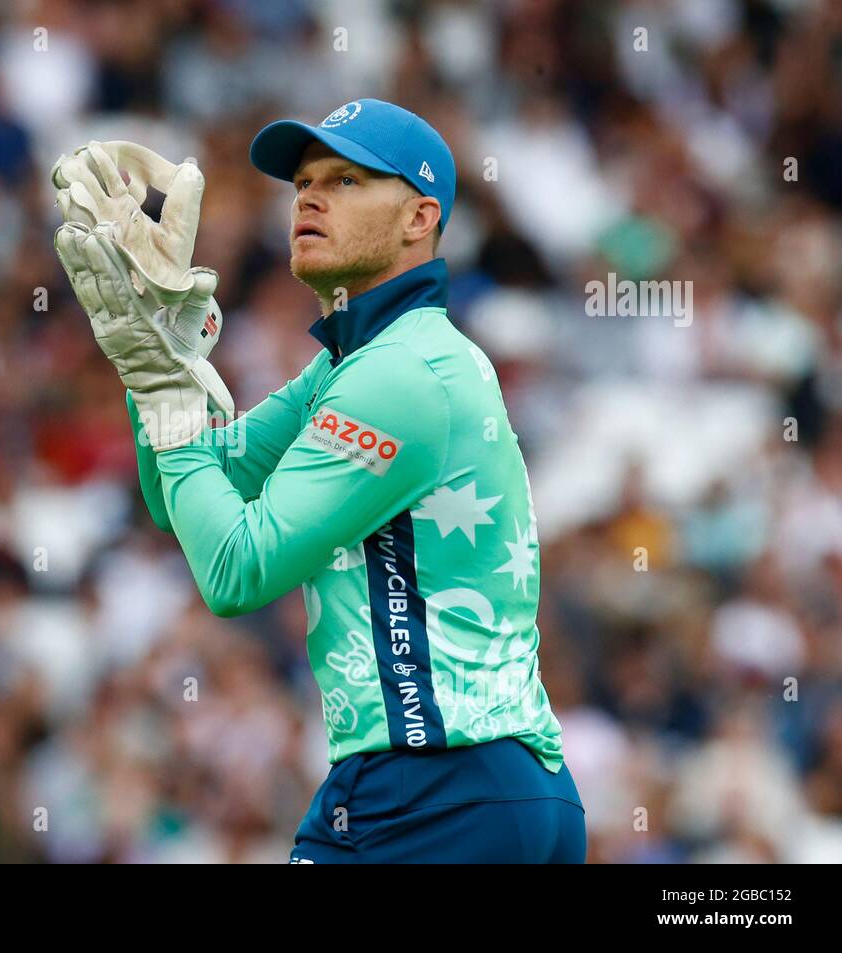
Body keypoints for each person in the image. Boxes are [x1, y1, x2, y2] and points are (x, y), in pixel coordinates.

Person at [52, 98, 586, 863]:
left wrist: (169, 397)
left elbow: (236, 568)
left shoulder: (397, 374)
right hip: (503, 787)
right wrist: (164, 369)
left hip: (429, 786)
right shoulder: (362, 361)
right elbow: (188, 497)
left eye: (345, 180)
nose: (309, 196)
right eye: (304, 181)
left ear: (419, 217)